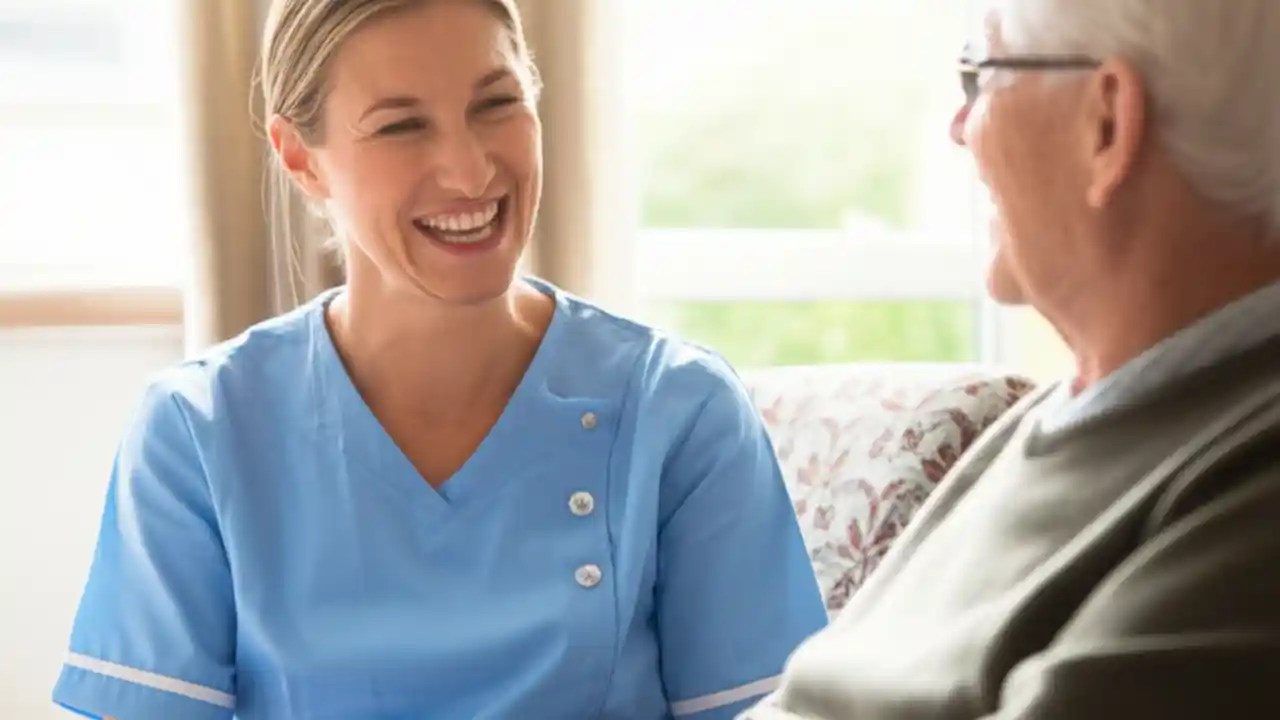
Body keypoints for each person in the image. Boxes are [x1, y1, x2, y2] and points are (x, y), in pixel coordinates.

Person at [51, 1, 826, 718]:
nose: (470, 171)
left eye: (496, 105)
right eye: (400, 127)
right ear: (301, 159)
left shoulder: (680, 412)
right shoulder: (198, 432)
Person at [746, 0, 1280, 717]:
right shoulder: (1073, 411)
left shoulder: (1251, 486)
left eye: (980, 75)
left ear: (1107, 125)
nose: (959, 128)